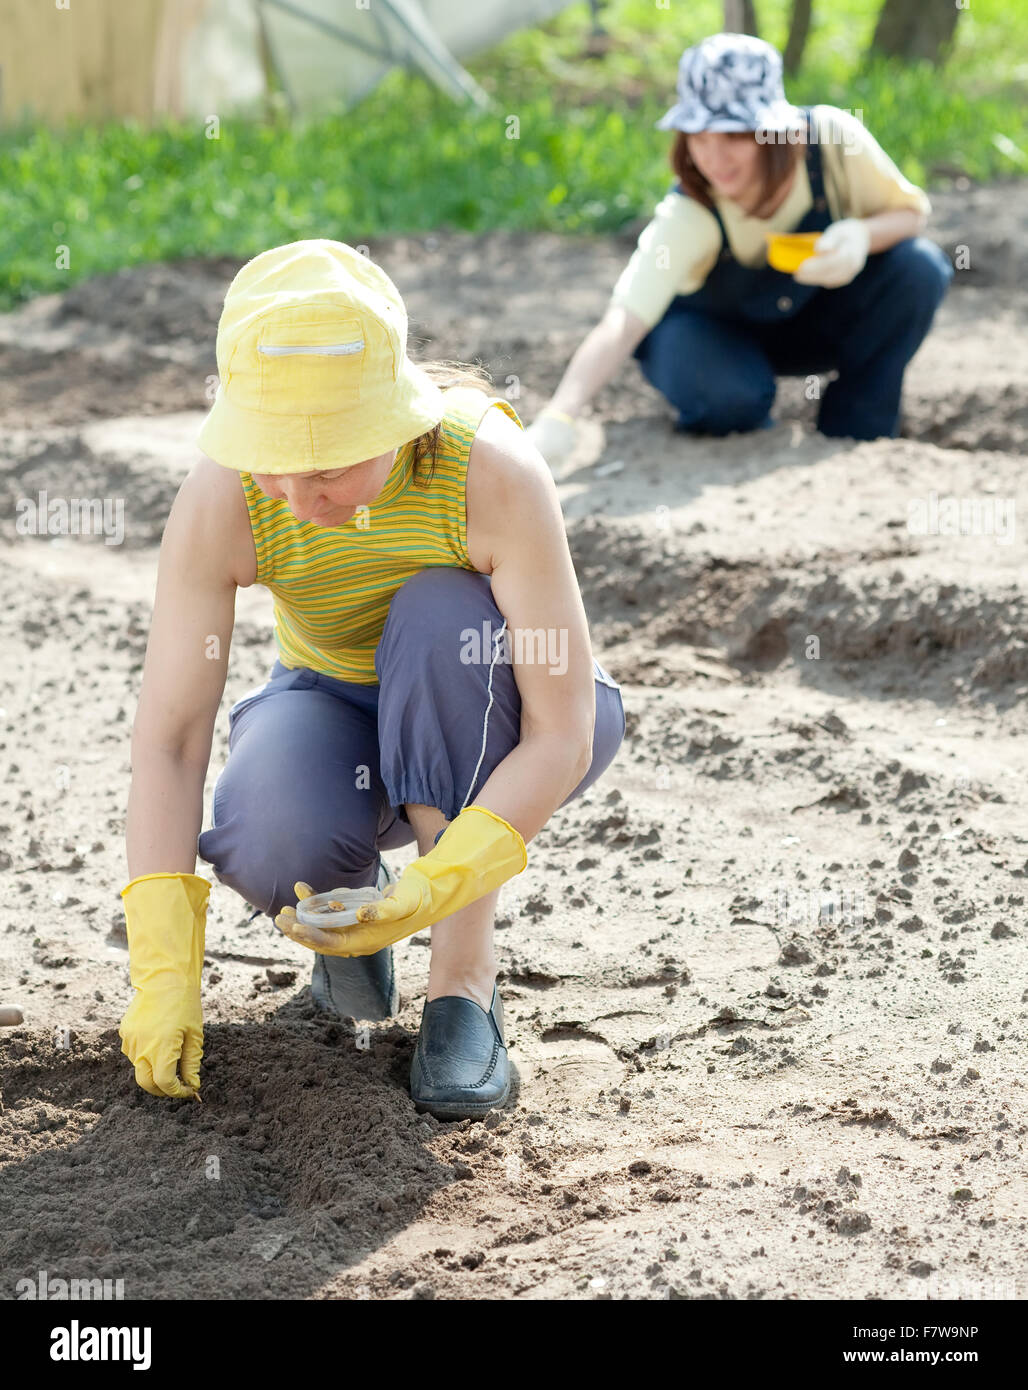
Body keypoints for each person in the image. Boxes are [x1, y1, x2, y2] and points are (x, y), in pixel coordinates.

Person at [117, 239, 626, 1119]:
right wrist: (163, 972)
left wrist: (440, 885)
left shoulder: (487, 469)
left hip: (498, 713)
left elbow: (560, 728)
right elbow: (170, 738)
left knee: (435, 620)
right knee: (267, 832)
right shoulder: (228, 496)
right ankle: (348, 931)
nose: (298, 492)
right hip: (337, 706)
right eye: (274, 459)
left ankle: (464, 990)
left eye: (329, 464)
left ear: (398, 418)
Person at [527, 31, 953, 466]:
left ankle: (857, 430)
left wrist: (861, 236)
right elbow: (623, 321)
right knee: (730, 398)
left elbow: (911, 215)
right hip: (705, 335)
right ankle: (740, 410)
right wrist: (560, 416)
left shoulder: (831, 142)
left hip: (810, 318)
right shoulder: (690, 212)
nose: (714, 158)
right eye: (698, 136)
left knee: (918, 268)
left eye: (733, 135)